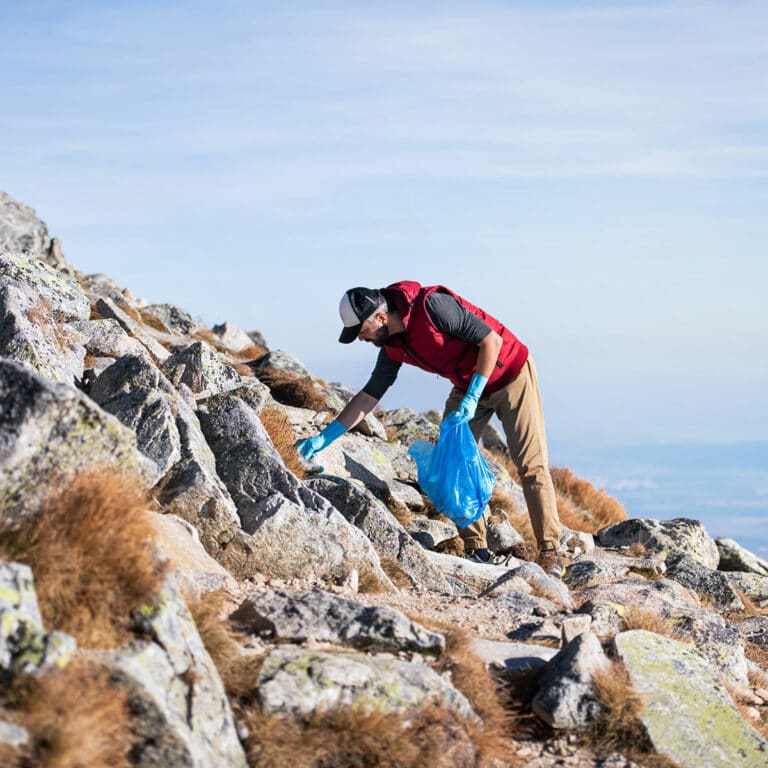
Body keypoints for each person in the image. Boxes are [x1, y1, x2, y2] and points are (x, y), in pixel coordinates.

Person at [296, 281, 564, 578]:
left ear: (381, 317)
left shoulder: (432, 307)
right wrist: (324, 438)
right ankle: (476, 548)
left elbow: (491, 342)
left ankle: (550, 552)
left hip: (510, 374)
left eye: (362, 331)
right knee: (450, 466)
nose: (361, 338)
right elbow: (369, 395)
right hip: (467, 384)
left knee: (530, 464)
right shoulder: (392, 346)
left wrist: (473, 396)